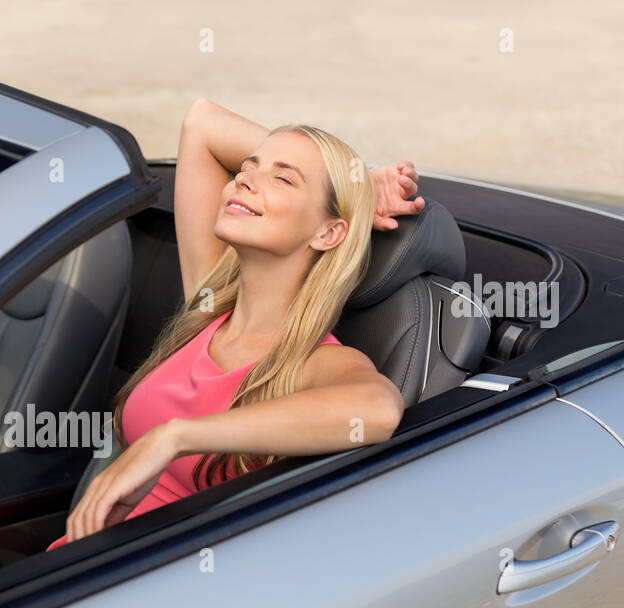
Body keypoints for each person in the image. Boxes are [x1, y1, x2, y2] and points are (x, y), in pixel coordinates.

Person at [48, 99, 425, 549]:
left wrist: (174, 438)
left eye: (282, 178)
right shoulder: (205, 309)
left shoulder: (313, 363)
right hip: (66, 570)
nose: (243, 179)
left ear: (328, 233)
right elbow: (202, 123)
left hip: (143, 591)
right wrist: (359, 178)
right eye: (247, 167)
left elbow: (379, 411)